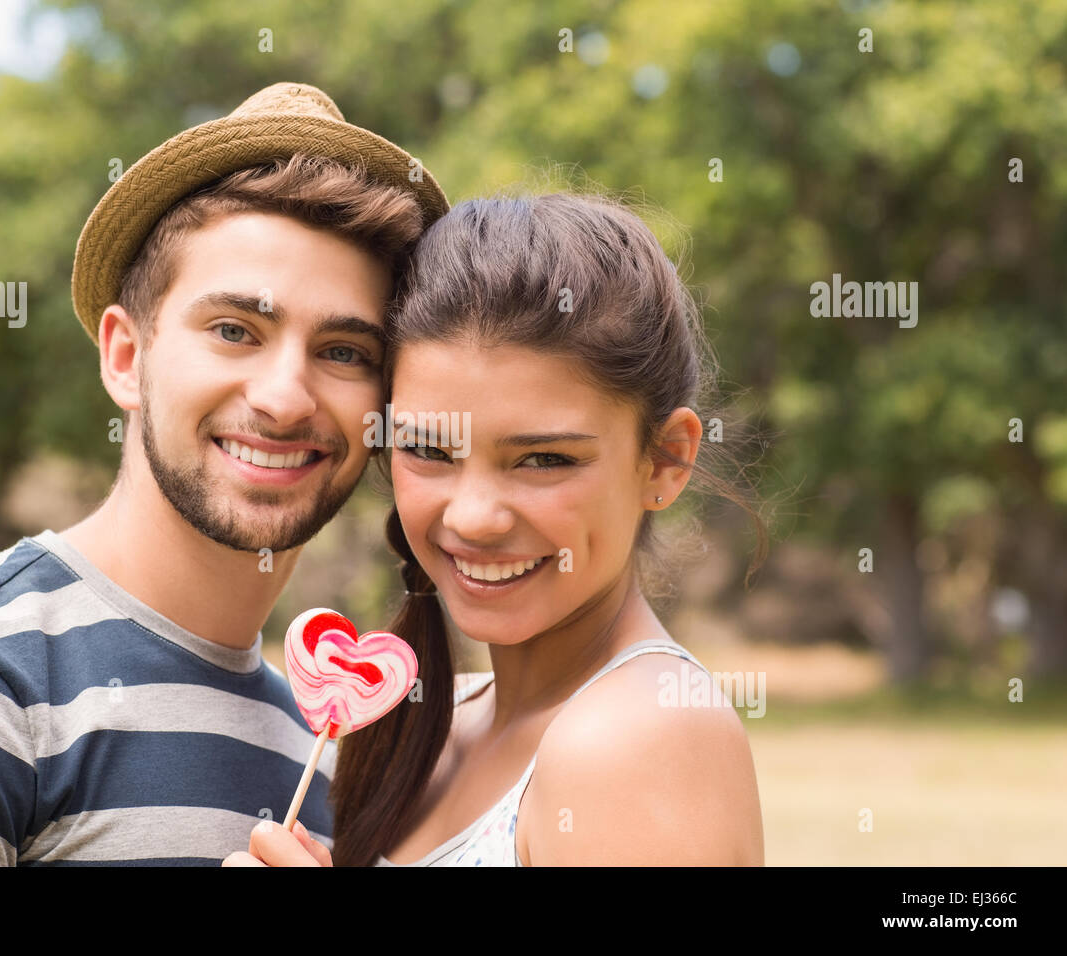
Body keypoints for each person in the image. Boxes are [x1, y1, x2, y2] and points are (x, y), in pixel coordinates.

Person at [0, 82, 447, 866]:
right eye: (235, 330)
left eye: (343, 352)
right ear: (126, 357)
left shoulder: (334, 755)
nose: (285, 398)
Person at [225, 191, 767, 867]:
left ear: (664, 460)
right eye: (429, 450)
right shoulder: (441, 721)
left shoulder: (639, 738)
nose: (474, 518)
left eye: (544, 460)